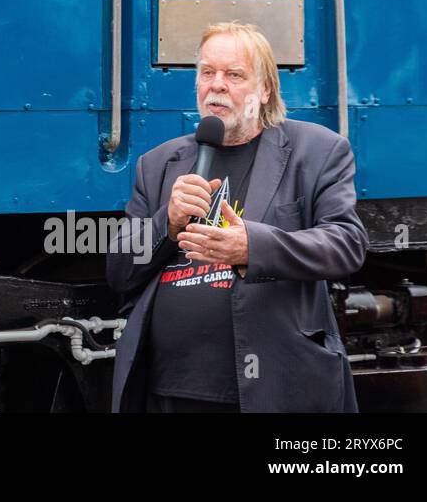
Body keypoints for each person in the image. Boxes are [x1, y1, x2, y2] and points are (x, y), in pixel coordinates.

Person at [106, 21, 368, 412]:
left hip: (272, 387)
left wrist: (252, 246)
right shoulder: (158, 164)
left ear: (264, 90)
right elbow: (119, 272)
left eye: (234, 75)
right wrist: (168, 221)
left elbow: (347, 244)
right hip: (171, 388)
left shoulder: (317, 151)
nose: (216, 85)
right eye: (207, 73)